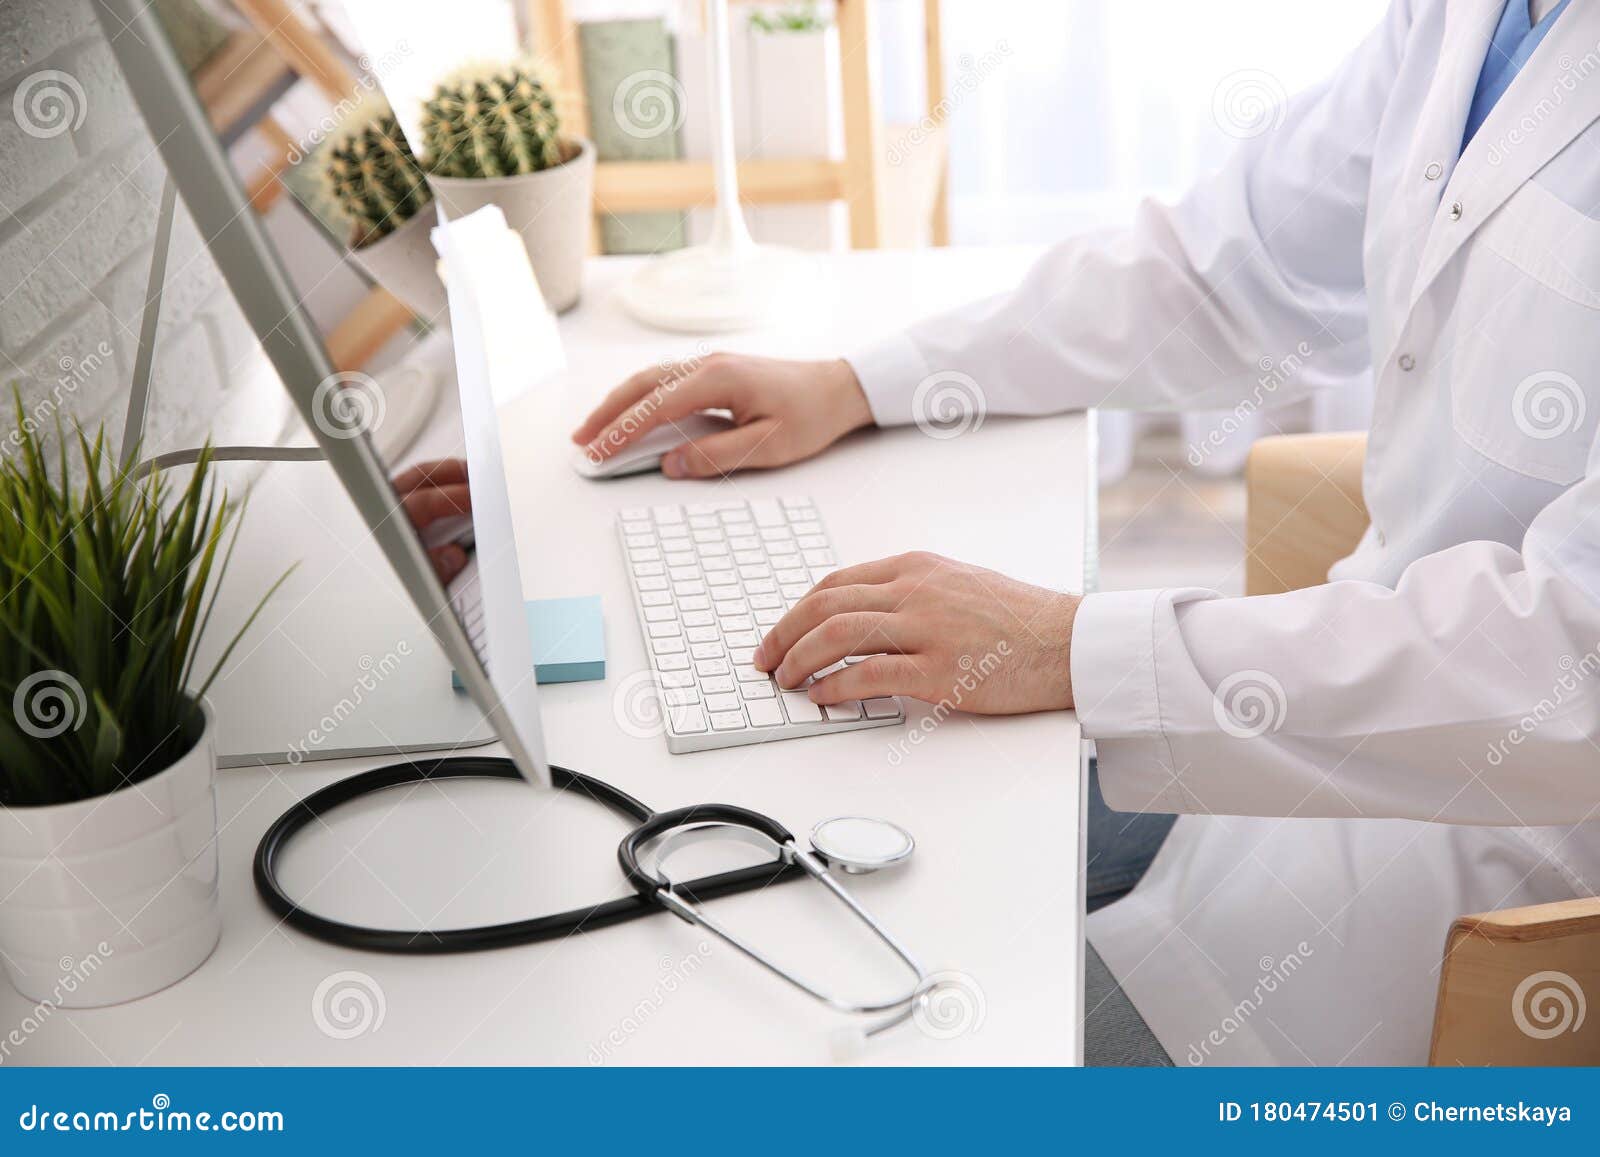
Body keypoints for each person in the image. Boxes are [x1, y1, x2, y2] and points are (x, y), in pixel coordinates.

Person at [564, 0, 1600, 1065]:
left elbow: (1573, 666)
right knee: (836, 843)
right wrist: (859, 382)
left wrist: (1065, 644)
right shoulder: (1463, 19)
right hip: (1296, 762)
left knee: (875, 1061)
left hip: (1495, 890)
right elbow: (1218, 271)